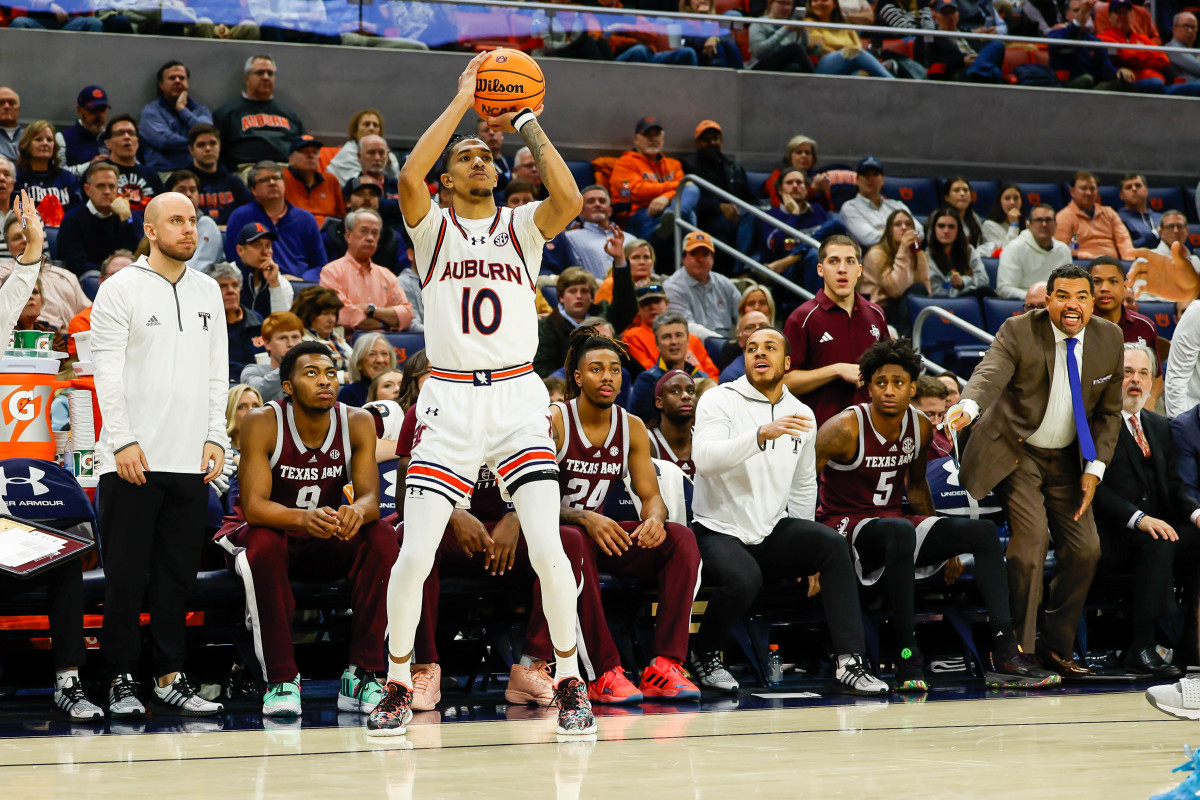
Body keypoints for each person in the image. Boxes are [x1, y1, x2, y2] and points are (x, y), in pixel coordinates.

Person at [369, 53, 595, 738]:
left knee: (550, 549)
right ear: (449, 176)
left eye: (483, 155)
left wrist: (524, 117)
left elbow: (573, 202)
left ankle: (568, 680)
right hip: (449, 401)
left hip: (518, 397)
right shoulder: (431, 227)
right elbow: (408, 175)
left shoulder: (522, 228)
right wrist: (464, 101)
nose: (476, 161)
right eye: (464, 156)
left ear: (499, 172)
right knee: (414, 553)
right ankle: (399, 683)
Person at [817, 339, 1059, 690]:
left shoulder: (919, 426)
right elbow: (803, 481)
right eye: (880, 383)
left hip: (889, 525)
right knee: (898, 530)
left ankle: (1006, 650)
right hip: (842, 524)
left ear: (912, 388)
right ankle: (906, 656)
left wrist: (939, 539)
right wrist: (813, 551)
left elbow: (916, 488)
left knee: (982, 534)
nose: (889, 390)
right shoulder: (843, 428)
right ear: (868, 387)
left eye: (898, 383)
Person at [689, 327, 889, 694]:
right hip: (717, 527)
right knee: (744, 578)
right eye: (751, 348)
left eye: (769, 347)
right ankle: (704, 654)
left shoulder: (802, 414)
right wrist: (761, 434)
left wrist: (806, 556)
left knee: (831, 544)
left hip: (771, 528)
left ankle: (850, 662)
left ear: (787, 362)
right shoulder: (719, 399)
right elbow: (703, 460)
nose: (759, 353)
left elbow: (802, 485)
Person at [947, 264, 1124, 676]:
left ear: (1093, 301)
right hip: (1018, 450)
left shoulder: (1109, 337)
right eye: (1063, 296)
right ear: (1048, 300)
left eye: (1082, 296)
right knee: (1030, 542)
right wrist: (968, 406)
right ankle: (1014, 650)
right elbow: (989, 374)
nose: (1073, 305)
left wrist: (1095, 467)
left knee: (1086, 549)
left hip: (1069, 459)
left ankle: (1054, 647)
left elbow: (1110, 413)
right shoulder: (1019, 331)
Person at [91, 191, 228, 718]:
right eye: (176, 221)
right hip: (132, 459)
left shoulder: (208, 290)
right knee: (125, 578)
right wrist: (121, 439)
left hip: (189, 460)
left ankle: (171, 674)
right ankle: (121, 679)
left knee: (177, 578)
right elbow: (105, 371)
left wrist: (216, 435)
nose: (188, 230)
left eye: (192, 221)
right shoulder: (119, 288)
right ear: (150, 230)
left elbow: (219, 371)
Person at [215, 341, 397, 716]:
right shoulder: (262, 422)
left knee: (380, 535)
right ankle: (281, 679)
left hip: (324, 534)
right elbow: (254, 507)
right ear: (288, 387)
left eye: (330, 373)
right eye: (311, 374)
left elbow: (370, 500)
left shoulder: (358, 421)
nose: (324, 381)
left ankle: (362, 674)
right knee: (264, 544)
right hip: (270, 533)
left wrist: (355, 514)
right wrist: (304, 519)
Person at [553, 329, 704, 701]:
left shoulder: (631, 426)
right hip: (551, 536)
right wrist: (583, 517)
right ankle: (602, 671)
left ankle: (665, 664)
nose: (607, 377)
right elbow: (531, 500)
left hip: (598, 535)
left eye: (615, 370)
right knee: (574, 541)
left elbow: (651, 496)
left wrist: (654, 518)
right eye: (597, 369)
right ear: (577, 377)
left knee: (680, 538)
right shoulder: (555, 421)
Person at [1094, 343, 1200, 677]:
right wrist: (1138, 519)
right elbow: (1095, 490)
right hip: (1115, 533)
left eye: (1142, 373)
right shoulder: (1096, 423)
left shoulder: (1158, 425)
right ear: (1113, 378)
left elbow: (1175, 484)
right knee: (1157, 541)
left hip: (1159, 530)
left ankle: (1190, 644)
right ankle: (1141, 646)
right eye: (1126, 372)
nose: (1135, 381)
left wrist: (1196, 514)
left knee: (1196, 539)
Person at [783, 235, 890, 425]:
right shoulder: (802, 318)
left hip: (872, 428)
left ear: (859, 270)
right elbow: (786, 381)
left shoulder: (876, 314)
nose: (842, 269)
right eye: (834, 261)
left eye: (850, 261)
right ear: (820, 269)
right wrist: (836, 370)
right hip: (820, 431)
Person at [225, 161, 328, 281]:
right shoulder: (240, 217)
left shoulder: (306, 219)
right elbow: (234, 260)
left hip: (300, 285)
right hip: (257, 284)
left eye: (277, 178)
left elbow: (320, 265)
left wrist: (303, 280)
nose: (272, 183)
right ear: (253, 189)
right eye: (265, 180)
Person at [319, 208, 413, 333]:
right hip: (349, 344)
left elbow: (407, 315)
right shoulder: (331, 272)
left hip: (387, 344)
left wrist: (371, 309)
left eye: (375, 233)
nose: (370, 238)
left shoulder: (387, 275)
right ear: (348, 235)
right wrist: (384, 324)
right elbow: (342, 315)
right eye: (363, 231)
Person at [533, 266, 636, 378]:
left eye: (584, 291)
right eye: (572, 291)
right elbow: (542, 370)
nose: (579, 296)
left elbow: (627, 305)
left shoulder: (604, 316)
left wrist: (620, 261)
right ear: (561, 297)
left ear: (592, 297)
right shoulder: (547, 327)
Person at [609, 117, 699, 241]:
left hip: (667, 209)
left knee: (692, 190)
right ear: (636, 139)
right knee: (688, 211)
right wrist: (677, 186)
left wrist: (665, 198)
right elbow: (635, 191)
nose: (652, 139)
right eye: (647, 135)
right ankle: (687, 253)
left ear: (662, 139)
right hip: (639, 214)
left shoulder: (674, 165)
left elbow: (685, 190)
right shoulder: (624, 163)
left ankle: (673, 217)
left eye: (656, 135)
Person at [1, 210, 91, 333]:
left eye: (30, 234)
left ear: (42, 238)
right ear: (8, 246)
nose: (25, 240)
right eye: (17, 237)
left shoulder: (67, 276)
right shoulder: (4, 276)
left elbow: (90, 315)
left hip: (71, 343)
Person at [213, 55, 305, 171]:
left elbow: (304, 147)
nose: (266, 77)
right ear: (246, 79)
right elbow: (216, 153)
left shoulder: (289, 114)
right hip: (248, 169)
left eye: (270, 73)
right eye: (260, 73)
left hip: (285, 169)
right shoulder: (226, 113)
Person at [683, 120, 756, 265]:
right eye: (706, 139)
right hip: (706, 218)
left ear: (721, 140)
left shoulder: (733, 167)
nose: (711, 142)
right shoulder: (689, 165)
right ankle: (744, 268)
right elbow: (690, 201)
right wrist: (718, 207)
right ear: (698, 142)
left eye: (715, 138)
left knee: (757, 215)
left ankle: (749, 269)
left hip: (737, 217)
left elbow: (749, 197)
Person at [56, 162, 141, 277]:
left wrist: (126, 219)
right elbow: (76, 264)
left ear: (117, 189)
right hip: (91, 279)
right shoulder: (73, 219)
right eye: (101, 186)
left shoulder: (129, 217)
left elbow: (138, 255)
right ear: (87, 189)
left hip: (127, 277)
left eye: (111, 186)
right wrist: (111, 273)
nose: (107, 191)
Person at [1048, 0, 1154, 91]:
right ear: (1067, 15)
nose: (1082, 15)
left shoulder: (1094, 41)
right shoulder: (1056, 34)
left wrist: (1119, 71)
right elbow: (1070, 36)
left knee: (1126, 84)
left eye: (1086, 12)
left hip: (1093, 90)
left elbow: (1106, 70)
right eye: (1077, 11)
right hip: (1064, 89)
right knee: (1086, 79)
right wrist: (1079, 20)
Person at [629, 310, 714, 421]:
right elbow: (644, 425)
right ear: (657, 344)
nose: (674, 341)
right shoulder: (647, 381)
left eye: (679, 335)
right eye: (666, 337)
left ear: (688, 341)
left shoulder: (702, 377)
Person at [622, 283, 720, 374]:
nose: (652, 307)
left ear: (667, 304)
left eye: (657, 301)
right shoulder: (633, 337)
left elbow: (712, 372)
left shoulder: (692, 338)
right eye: (645, 304)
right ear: (638, 310)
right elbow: (650, 373)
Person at [662, 231, 740, 340]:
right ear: (683, 258)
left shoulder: (725, 283)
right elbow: (685, 327)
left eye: (705, 254)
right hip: (691, 347)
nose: (699, 259)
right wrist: (723, 344)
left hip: (726, 346)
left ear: (712, 259)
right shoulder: (672, 287)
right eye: (693, 254)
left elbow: (743, 317)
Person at [862, 208, 930, 331]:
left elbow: (926, 289)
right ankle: (906, 339)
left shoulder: (919, 255)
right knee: (916, 291)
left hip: (905, 305)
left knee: (920, 293)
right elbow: (896, 289)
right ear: (889, 230)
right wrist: (903, 250)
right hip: (880, 308)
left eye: (908, 224)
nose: (904, 228)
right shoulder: (877, 254)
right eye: (897, 224)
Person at [140, 61, 214, 172]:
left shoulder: (201, 110)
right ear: (161, 85)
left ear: (187, 83)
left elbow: (207, 134)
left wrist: (182, 110)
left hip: (198, 171)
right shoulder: (151, 111)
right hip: (166, 172)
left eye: (182, 78)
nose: (177, 81)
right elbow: (164, 142)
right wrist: (197, 144)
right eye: (172, 78)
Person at [323, 176, 402, 274]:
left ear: (378, 202)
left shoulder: (391, 237)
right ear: (347, 202)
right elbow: (321, 267)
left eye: (372, 194)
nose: (367, 198)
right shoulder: (332, 233)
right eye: (360, 194)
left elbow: (403, 269)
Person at [840, 157, 924, 249]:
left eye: (875, 174)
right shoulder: (850, 207)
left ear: (883, 180)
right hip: (870, 258)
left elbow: (920, 232)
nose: (870, 178)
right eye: (866, 174)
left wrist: (883, 231)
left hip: (905, 253)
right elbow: (869, 239)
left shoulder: (897, 205)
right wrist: (902, 235)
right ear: (857, 180)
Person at [996, 204, 1072, 299]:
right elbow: (1004, 288)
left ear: (1056, 225)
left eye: (1048, 220)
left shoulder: (1063, 250)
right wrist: (1038, 299)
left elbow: (1069, 286)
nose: (1044, 224)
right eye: (1039, 220)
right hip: (1024, 305)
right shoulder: (1014, 248)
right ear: (1029, 225)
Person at [14, 121, 81, 227]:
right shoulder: (18, 176)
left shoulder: (68, 178)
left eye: (49, 140)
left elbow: (78, 213)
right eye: (38, 139)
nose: (45, 143)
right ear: (27, 144)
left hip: (64, 233)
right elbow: (16, 213)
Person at [1057, 171, 1136, 260]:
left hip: (1113, 265)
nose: (1088, 193)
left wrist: (1130, 260)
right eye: (1083, 188)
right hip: (1083, 265)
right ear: (1072, 191)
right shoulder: (1064, 216)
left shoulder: (1109, 212)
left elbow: (1123, 240)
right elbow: (1061, 249)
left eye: (1092, 189)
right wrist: (1086, 256)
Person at [805, 0, 894, 77]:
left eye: (824, 0)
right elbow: (819, 48)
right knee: (856, 53)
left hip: (848, 63)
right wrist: (846, 56)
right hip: (824, 64)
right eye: (815, 1)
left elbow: (858, 47)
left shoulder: (845, 25)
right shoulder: (810, 23)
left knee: (862, 74)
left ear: (835, 4)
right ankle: (893, 81)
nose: (819, 3)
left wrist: (848, 56)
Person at [926, 0, 1008, 83]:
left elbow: (981, 52)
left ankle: (977, 71)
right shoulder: (931, 37)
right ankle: (976, 72)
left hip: (976, 66)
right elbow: (930, 62)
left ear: (958, 14)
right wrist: (962, 61)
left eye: (952, 12)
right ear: (935, 17)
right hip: (957, 72)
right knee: (994, 71)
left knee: (997, 45)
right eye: (945, 13)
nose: (949, 16)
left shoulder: (968, 34)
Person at [188, 123, 252, 226]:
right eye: (201, 145)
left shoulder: (235, 183)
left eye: (213, 143)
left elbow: (248, 216)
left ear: (220, 146)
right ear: (191, 150)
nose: (208, 148)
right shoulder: (183, 183)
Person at [99, 116, 164, 215]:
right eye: (120, 133)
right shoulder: (99, 172)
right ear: (108, 143)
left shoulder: (150, 174)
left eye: (131, 133)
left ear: (137, 142)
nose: (127, 137)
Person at [212, 261, 266, 382]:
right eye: (223, 286)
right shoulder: (204, 324)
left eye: (235, 285)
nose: (231, 291)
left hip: (257, 385)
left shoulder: (256, 320)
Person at [1089, 256, 1158, 351]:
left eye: (1113, 281)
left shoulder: (1145, 326)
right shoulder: (1079, 326)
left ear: (1124, 287)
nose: (1104, 288)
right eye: (1096, 282)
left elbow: (1153, 365)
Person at [925, 206, 993, 298]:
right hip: (942, 303)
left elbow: (983, 280)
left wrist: (962, 282)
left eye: (951, 227)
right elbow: (936, 291)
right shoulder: (926, 256)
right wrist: (950, 281)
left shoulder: (969, 250)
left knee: (986, 291)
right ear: (934, 229)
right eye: (941, 226)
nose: (946, 231)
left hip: (969, 299)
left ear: (959, 230)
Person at [164, 170, 223, 274]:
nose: (188, 194)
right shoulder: (159, 224)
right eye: (182, 190)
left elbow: (200, 266)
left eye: (193, 190)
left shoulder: (207, 225)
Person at [563, 185, 626, 282]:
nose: (597, 204)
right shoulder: (571, 237)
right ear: (581, 212)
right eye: (591, 201)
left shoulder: (630, 238)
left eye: (602, 201)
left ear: (610, 211)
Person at [232, 222, 295, 318]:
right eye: (257, 245)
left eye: (268, 246)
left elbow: (283, 323)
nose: (265, 252)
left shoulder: (281, 283)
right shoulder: (225, 277)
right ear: (240, 250)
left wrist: (274, 284)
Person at [240, 310, 305, 403]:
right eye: (283, 338)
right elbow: (256, 393)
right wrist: (288, 366)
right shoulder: (253, 371)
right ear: (267, 343)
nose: (291, 344)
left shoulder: (312, 371)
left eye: (295, 337)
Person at [327, 109, 403, 186]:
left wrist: (388, 165)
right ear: (355, 131)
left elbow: (397, 184)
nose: (371, 128)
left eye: (375, 125)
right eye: (366, 124)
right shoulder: (347, 153)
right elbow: (355, 187)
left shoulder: (389, 155)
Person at [284, 135, 345, 227]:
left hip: (326, 235)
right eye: (304, 152)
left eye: (315, 152)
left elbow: (340, 217)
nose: (311, 156)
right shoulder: (281, 178)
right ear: (291, 158)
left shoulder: (330, 180)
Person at [292, 285, 353, 371]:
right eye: (325, 314)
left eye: (333, 313)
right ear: (308, 314)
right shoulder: (301, 342)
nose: (332, 320)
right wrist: (343, 377)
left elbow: (357, 361)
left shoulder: (335, 337)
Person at [649, 369, 697, 479]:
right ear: (659, 402)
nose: (686, 396)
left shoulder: (704, 437)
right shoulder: (647, 442)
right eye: (675, 391)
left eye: (690, 391)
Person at [749, 0, 814, 73]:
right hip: (760, 66)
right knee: (794, 47)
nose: (786, 8)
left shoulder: (792, 24)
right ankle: (816, 81)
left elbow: (802, 50)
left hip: (783, 65)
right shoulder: (759, 23)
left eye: (789, 4)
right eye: (782, 3)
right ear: (770, 3)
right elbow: (759, 52)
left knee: (794, 67)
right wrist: (785, 30)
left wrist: (803, 31)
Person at [56, 86, 109, 171]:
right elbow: (57, 173)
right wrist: (90, 166)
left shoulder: (113, 135)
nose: (99, 115)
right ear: (79, 110)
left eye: (102, 110)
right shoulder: (63, 138)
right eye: (93, 110)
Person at [339, 331, 397, 407]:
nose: (380, 360)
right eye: (372, 354)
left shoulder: (401, 389)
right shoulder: (350, 393)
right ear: (359, 363)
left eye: (384, 353)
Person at [718, 309, 771, 383]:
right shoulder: (732, 378)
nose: (758, 330)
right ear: (740, 340)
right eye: (749, 327)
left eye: (764, 326)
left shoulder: (783, 361)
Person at [1117, 173, 1161, 250]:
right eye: (1128, 187)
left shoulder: (1162, 218)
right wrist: (1155, 234)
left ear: (1146, 190)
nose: (1134, 189)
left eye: (1138, 185)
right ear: (1121, 195)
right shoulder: (1117, 219)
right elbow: (1127, 248)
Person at [981, 183, 1025, 256]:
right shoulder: (989, 225)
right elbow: (1008, 252)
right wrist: (1014, 224)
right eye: (1007, 198)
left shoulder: (1027, 223)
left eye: (1016, 198)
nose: (1012, 202)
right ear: (1000, 202)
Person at [942, 176, 986, 248]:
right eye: (956, 190)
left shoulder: (974, 217)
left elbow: (984, 243)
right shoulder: (940, 217)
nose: (962, 194)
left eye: (965, 190)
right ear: (947, 197)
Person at [226, 383, 263, 453]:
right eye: (242, 407)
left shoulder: (273, 450)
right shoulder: (218, 452)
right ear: (229, 412)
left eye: (256, 406)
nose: (251, 411)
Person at [1166, 12, 1200, 82]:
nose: (1190, 31)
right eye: (1186, 26)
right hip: (1183, 87)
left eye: (1193, 27)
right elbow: (1197, 68)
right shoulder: (1172, 48)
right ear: (1175, 28)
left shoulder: (1193, 50)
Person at [0, 87, 22, 162]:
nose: (6, 106)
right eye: (1, 103)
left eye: (11, 103)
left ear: (18, 108)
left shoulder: (31, 136)